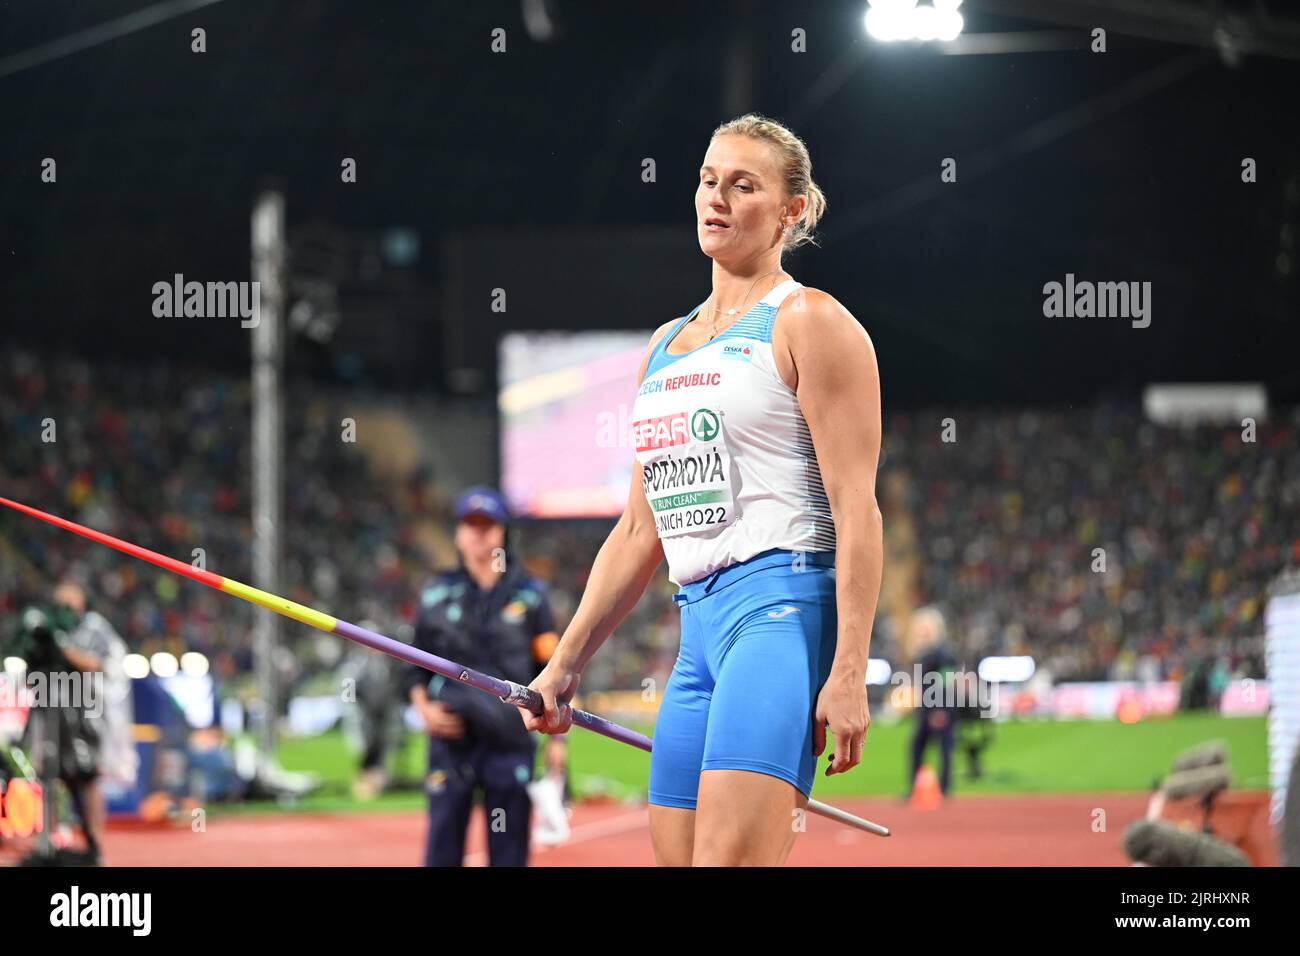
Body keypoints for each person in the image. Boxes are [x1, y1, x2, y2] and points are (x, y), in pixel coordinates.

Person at [521, 113, 884, 866]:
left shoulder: (808, 322)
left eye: (743, 185)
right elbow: (635, 533)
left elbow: (857, 507)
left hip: (780, 613)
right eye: (708, 180)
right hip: (698, 636)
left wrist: (849, 670)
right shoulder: (664, 346)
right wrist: (565, 665)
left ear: (791, 210)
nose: (716, 198)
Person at [404, 485, 565, 866]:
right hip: (451, 742)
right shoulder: (435, 595)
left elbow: (553, 668)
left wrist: (560, 742)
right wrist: (424, 709)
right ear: (458, 534)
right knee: (441, 849)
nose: (479, 534)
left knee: (508, 853)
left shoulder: (530, 595)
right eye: (471, 525)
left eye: (488, 525)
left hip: (509, 740)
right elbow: (413, 667)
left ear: (503, 534)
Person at [905, 606, 957, 799]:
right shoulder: (923, 653)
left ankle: (944, 789)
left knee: (943, 749)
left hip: (939, 709)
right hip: (926, 709)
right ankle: (916, 788)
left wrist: (940, 710)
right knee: (918, 747)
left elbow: (945, 683)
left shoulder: (942, 654)